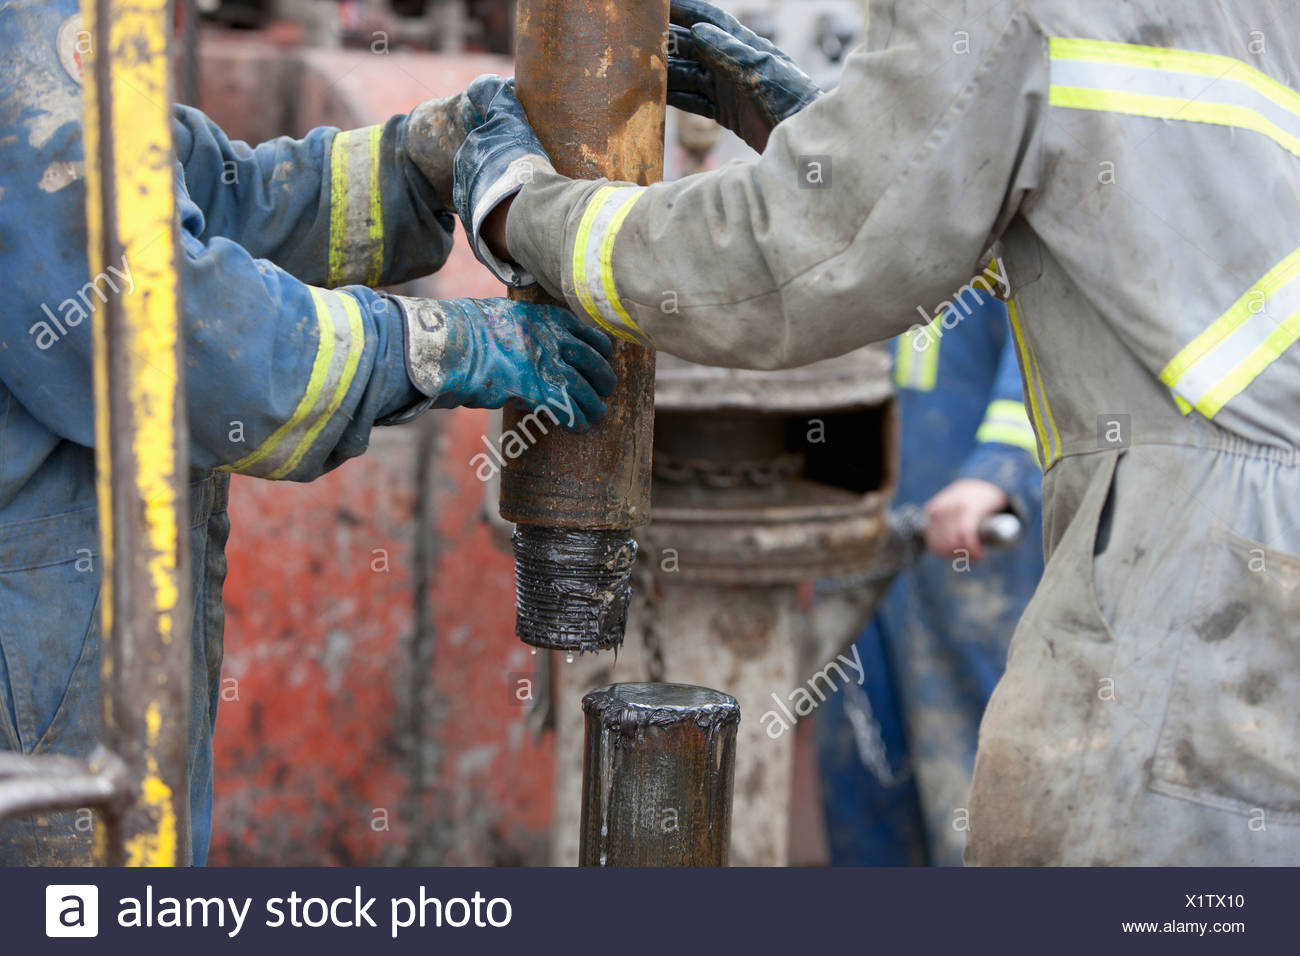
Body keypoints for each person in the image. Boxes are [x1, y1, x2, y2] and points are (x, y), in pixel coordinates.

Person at [454, 0, 1300, 864]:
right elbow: (1096, 195)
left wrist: (522, 213)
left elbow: (786, 262)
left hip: (1201, 569)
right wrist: (835, 133)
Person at [0, 0, 614, 865]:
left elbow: (204, 201)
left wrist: (416, 163)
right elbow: (158, 318)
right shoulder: (28, 26)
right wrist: (431, 346)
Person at [817, 292, 1044, 866]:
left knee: (979, 776)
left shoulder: (1020, 215)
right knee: (863, 771)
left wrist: (996, 472)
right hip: (865, 540)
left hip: (978, 548)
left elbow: (1055, 352)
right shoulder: (890, 223)